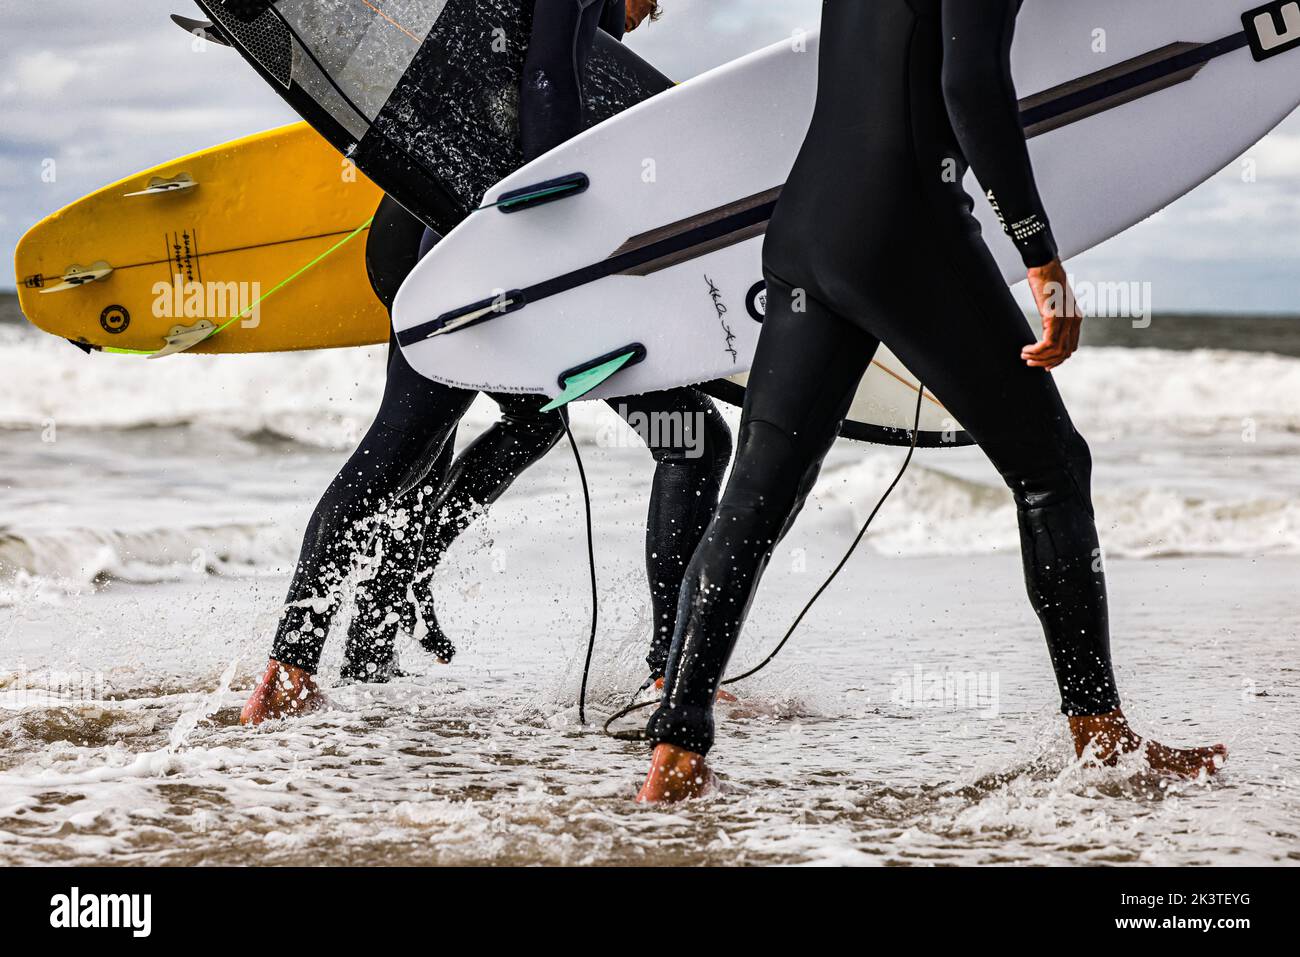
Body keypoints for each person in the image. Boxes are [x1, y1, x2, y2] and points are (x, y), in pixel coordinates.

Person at [637, 0, 1228, 802]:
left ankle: (676, 749)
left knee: (754, 499)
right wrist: (1039, 254)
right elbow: (970, 79)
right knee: (1051, 466)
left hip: (807, 226)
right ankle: (1102, 739)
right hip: (905, 226)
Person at [241, 0, 731, 724]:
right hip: (510, 245)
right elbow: (547, 81)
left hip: (440, 232)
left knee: (441, 438)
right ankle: (670, 678)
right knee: (694, 440)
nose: (655, 9)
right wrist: (571, 237)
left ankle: (312, 660)